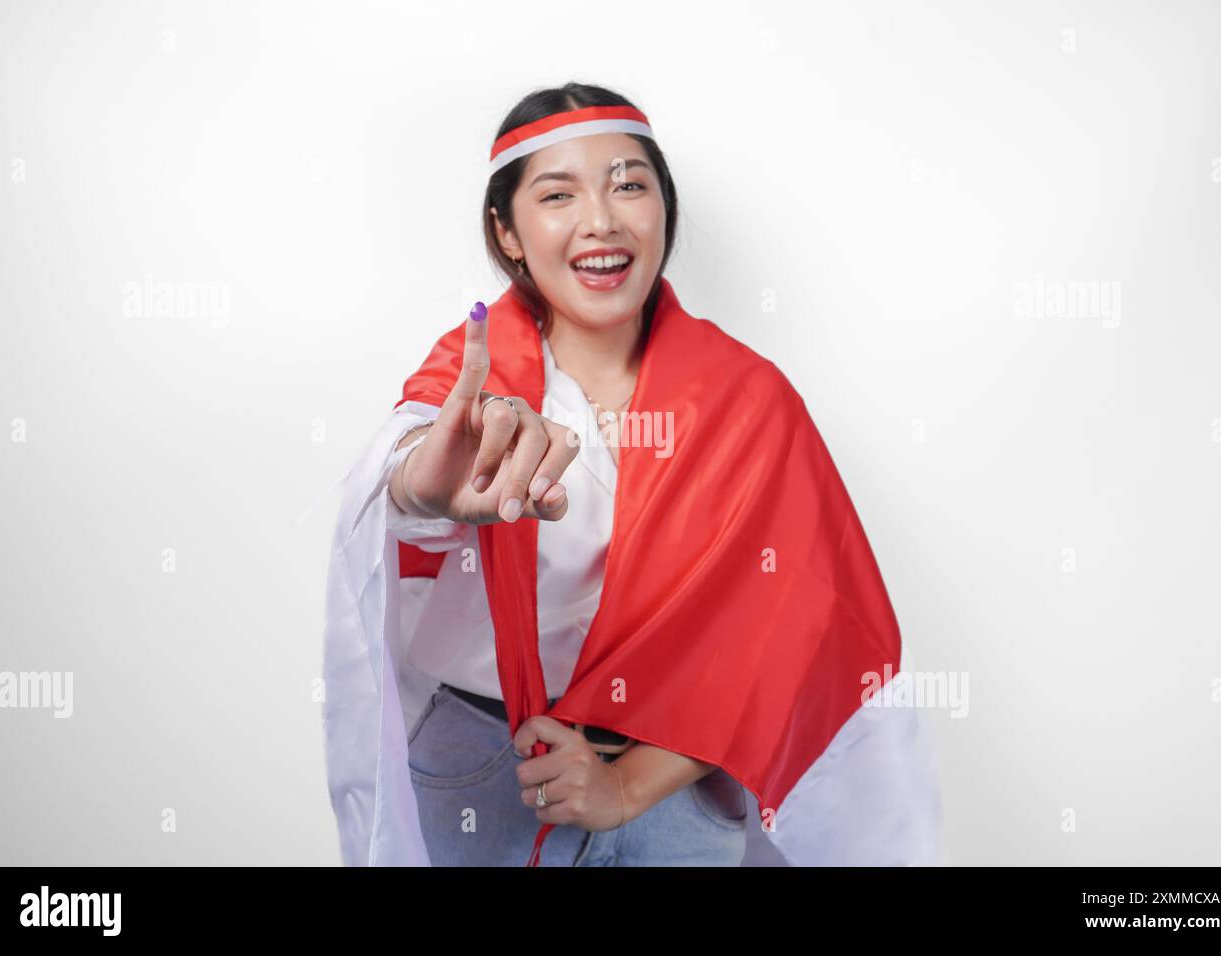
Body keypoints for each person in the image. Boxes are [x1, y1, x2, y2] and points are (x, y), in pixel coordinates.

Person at [321, 82, 945, 868]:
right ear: (507, 232)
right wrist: (425, 488)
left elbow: (799, 638)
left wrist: (630, 785)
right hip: (481, 774)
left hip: (678, 793)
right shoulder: (470, 388)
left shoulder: (750, 402)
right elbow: (407, 476)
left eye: (629, 185)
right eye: (557, 194)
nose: (602, 220)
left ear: (663, 210)